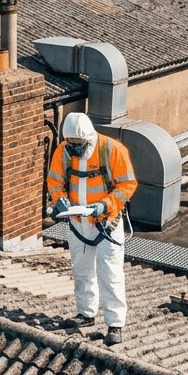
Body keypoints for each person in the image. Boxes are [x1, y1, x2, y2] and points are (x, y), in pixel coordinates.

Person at [46, 112, 138, 346]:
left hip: (107, 224)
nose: (75, 148)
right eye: (71, 143)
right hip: (78, 223)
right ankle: (86, 313)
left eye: (79, 144)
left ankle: (115, 324)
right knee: (82, 270)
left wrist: (105, 205)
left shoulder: (112, 150)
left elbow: (127, 184)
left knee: (110, 274)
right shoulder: (63, 151)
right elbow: (55, 180)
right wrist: (59, 199)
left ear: (89, 138)